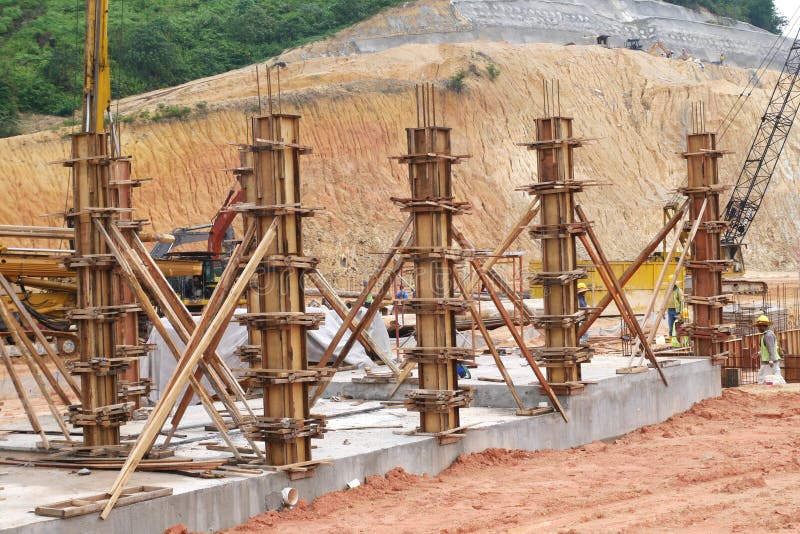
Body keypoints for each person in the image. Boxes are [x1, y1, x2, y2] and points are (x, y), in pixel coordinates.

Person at [755, 315, 785, 385]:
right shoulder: (766, 335)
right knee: (776, 378)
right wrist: (759, 353)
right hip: (770, 361)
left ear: (763, 326)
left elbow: (771, 348)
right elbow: (766, 348)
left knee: (764, 379)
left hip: (769, 362)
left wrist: (771, 360)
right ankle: (782, 388)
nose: (758, 328)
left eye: (759, 326)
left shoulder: (768, 335)